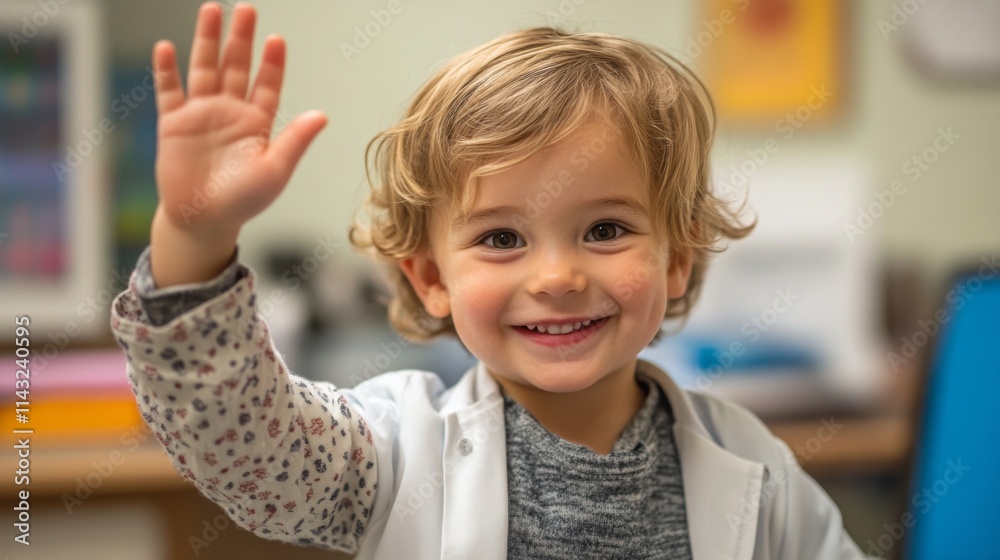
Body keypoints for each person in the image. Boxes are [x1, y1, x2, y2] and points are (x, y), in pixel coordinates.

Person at [110, 2, 864, 558]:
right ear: (432, 277)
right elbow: (239, 442)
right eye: (502, 238)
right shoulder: (391, 452)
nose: (560, 275)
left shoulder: (756, 468)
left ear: (675, 259)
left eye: (605, 230)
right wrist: (194, 240)